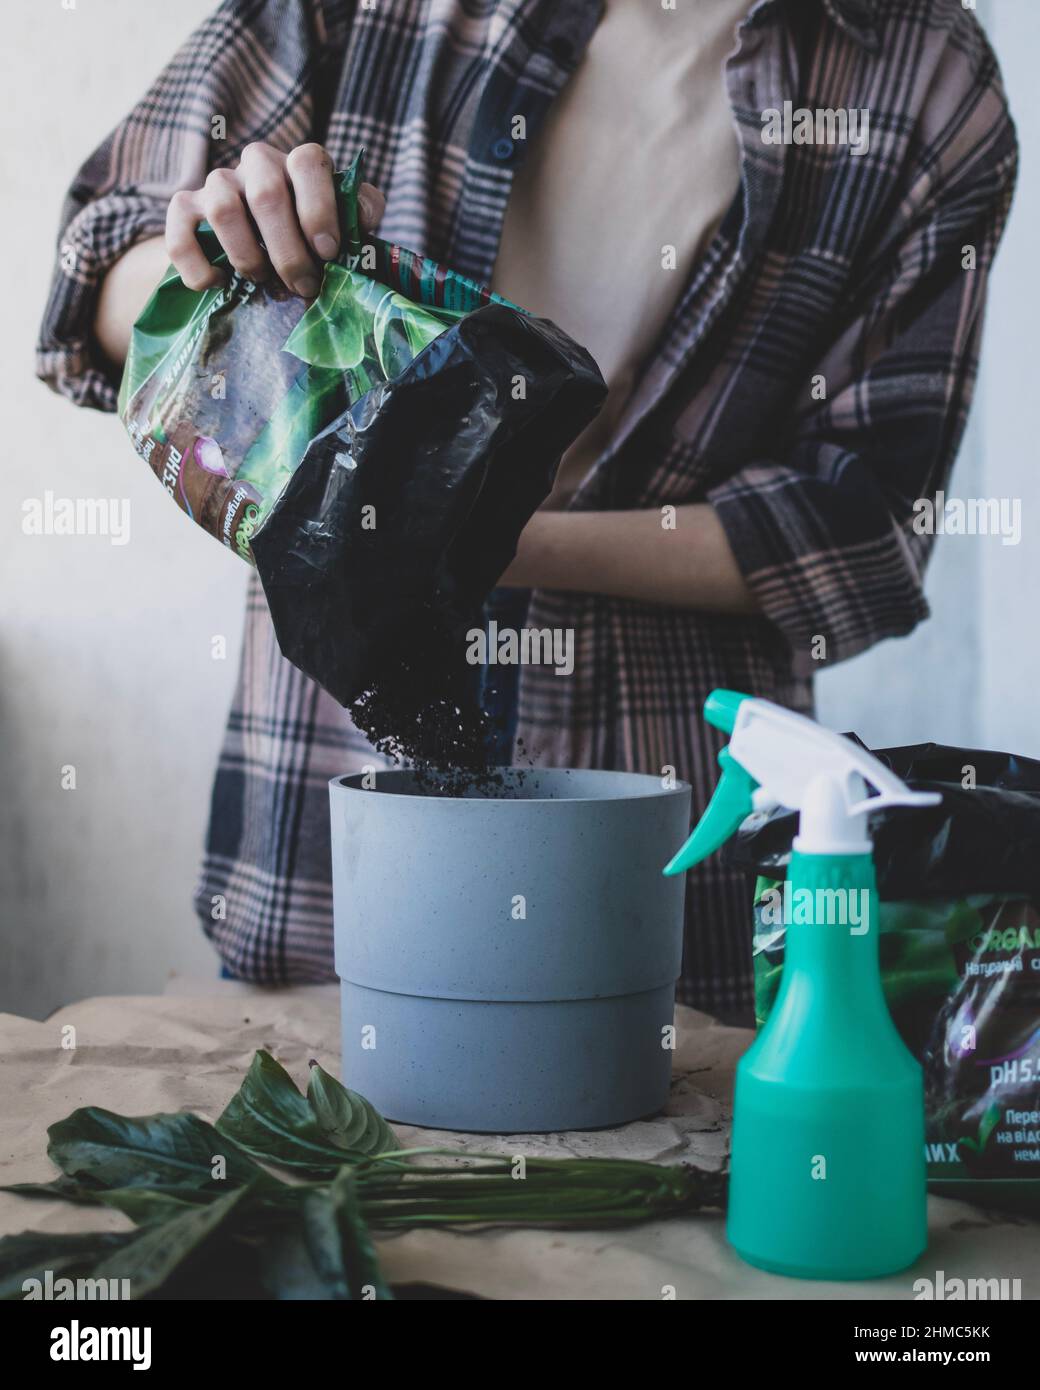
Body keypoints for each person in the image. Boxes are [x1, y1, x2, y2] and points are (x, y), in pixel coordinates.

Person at [37, 0, 1016, 1023]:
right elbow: (93, 279)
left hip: (666, 857)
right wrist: (212, 270)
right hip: (324, 845)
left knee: (654, 1153)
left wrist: (454, 535)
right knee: (325, 1161)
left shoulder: (928, 83)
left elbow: (861, 531)